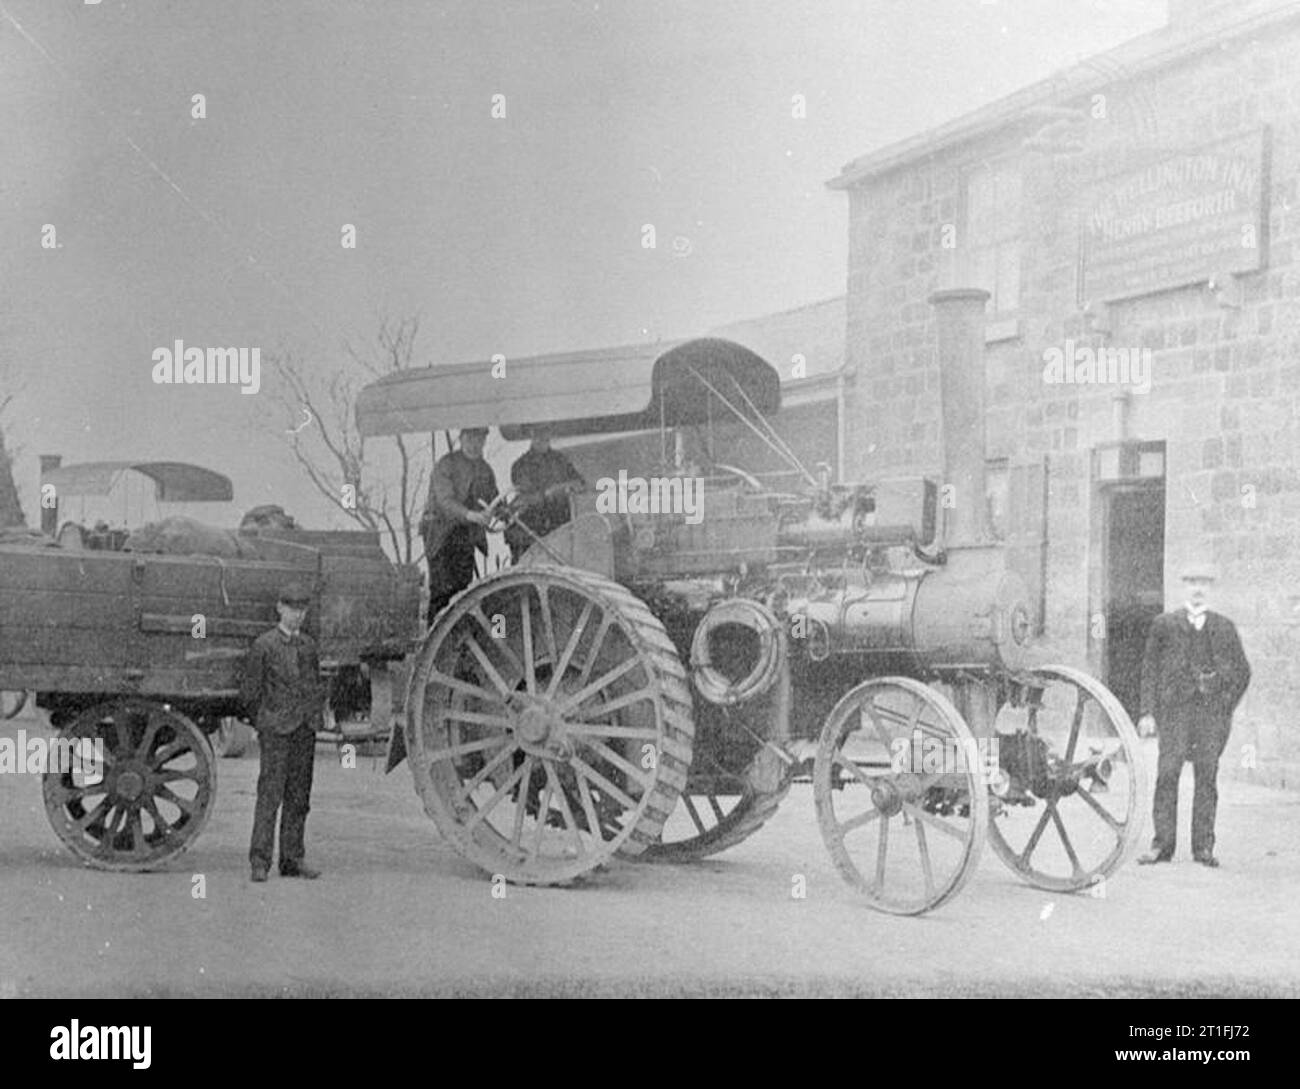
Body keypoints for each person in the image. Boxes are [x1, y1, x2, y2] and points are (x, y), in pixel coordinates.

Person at [1136, 561, 1250, 868]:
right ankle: (1162, 846)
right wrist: (1147, 711)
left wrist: (1225, 704)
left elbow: (1243, 672)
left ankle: (1203, 848)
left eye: (1203, 583)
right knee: (1168, 773)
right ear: (1184, 586)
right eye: (1192, 582)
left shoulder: (1224, 627)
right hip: (1175, 713)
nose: (1198, 589)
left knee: (1206, 777)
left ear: (1210, 588)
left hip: (1210, 717)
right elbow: (1149, 669)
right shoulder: (1164, 624)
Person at [240, 580, 326, 882]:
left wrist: (312, 718)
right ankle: (260, 861)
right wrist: (265, 723)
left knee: (299, 798)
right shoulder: (264, 645)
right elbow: (251, 694)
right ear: (279, 608)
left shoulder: (309, 646)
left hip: (304, 729)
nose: (297, 615)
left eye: (302, 610)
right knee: (270, 796)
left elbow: (314, 685)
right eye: (292, 609)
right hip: (276, 731)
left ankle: (292, 860)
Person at [421, 426, 499, 624]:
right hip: (440, 536)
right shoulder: (445, 465)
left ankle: (457, 643)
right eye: (470, 438)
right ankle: (434, 642)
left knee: (462, 591)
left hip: (465, 537)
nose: (475, 444)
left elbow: (495, 500)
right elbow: (445, 501)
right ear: (461, 438)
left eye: (479, 439)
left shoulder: (485, 470)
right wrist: (470, 515)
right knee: (442, 591)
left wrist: (506, 511)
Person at [504, 424, 585, 563]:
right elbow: (529, 496)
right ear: (531, 433)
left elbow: (580, 483)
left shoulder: (560, 459)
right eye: (538, 432)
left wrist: (560, 489)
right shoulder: (520, 465)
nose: (542, 436)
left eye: (546, 432)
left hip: (561, 526)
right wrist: (548, 494)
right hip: (533, 530)